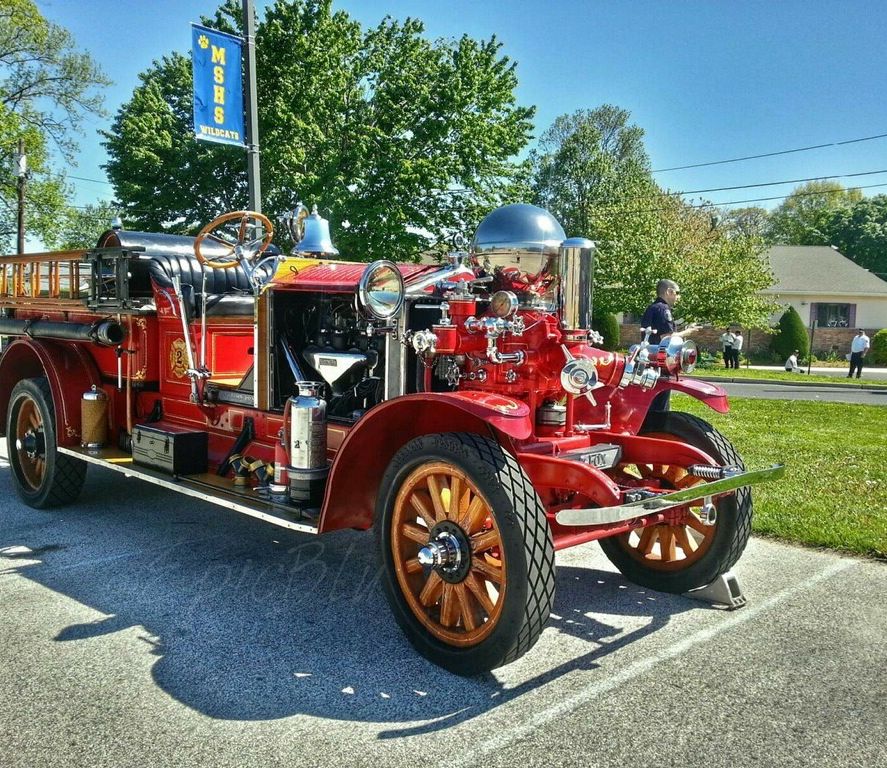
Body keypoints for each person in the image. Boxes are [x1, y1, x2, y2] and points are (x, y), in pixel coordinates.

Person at [641, 279, 699, 411]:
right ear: (669, 291)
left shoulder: (653, 307)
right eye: (677, 293)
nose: (678, 297)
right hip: (660, 362)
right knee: (660, 405)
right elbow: (666, 337)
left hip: (650, 361)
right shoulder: (663, 309)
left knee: (650, 402)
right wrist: (687, 332)